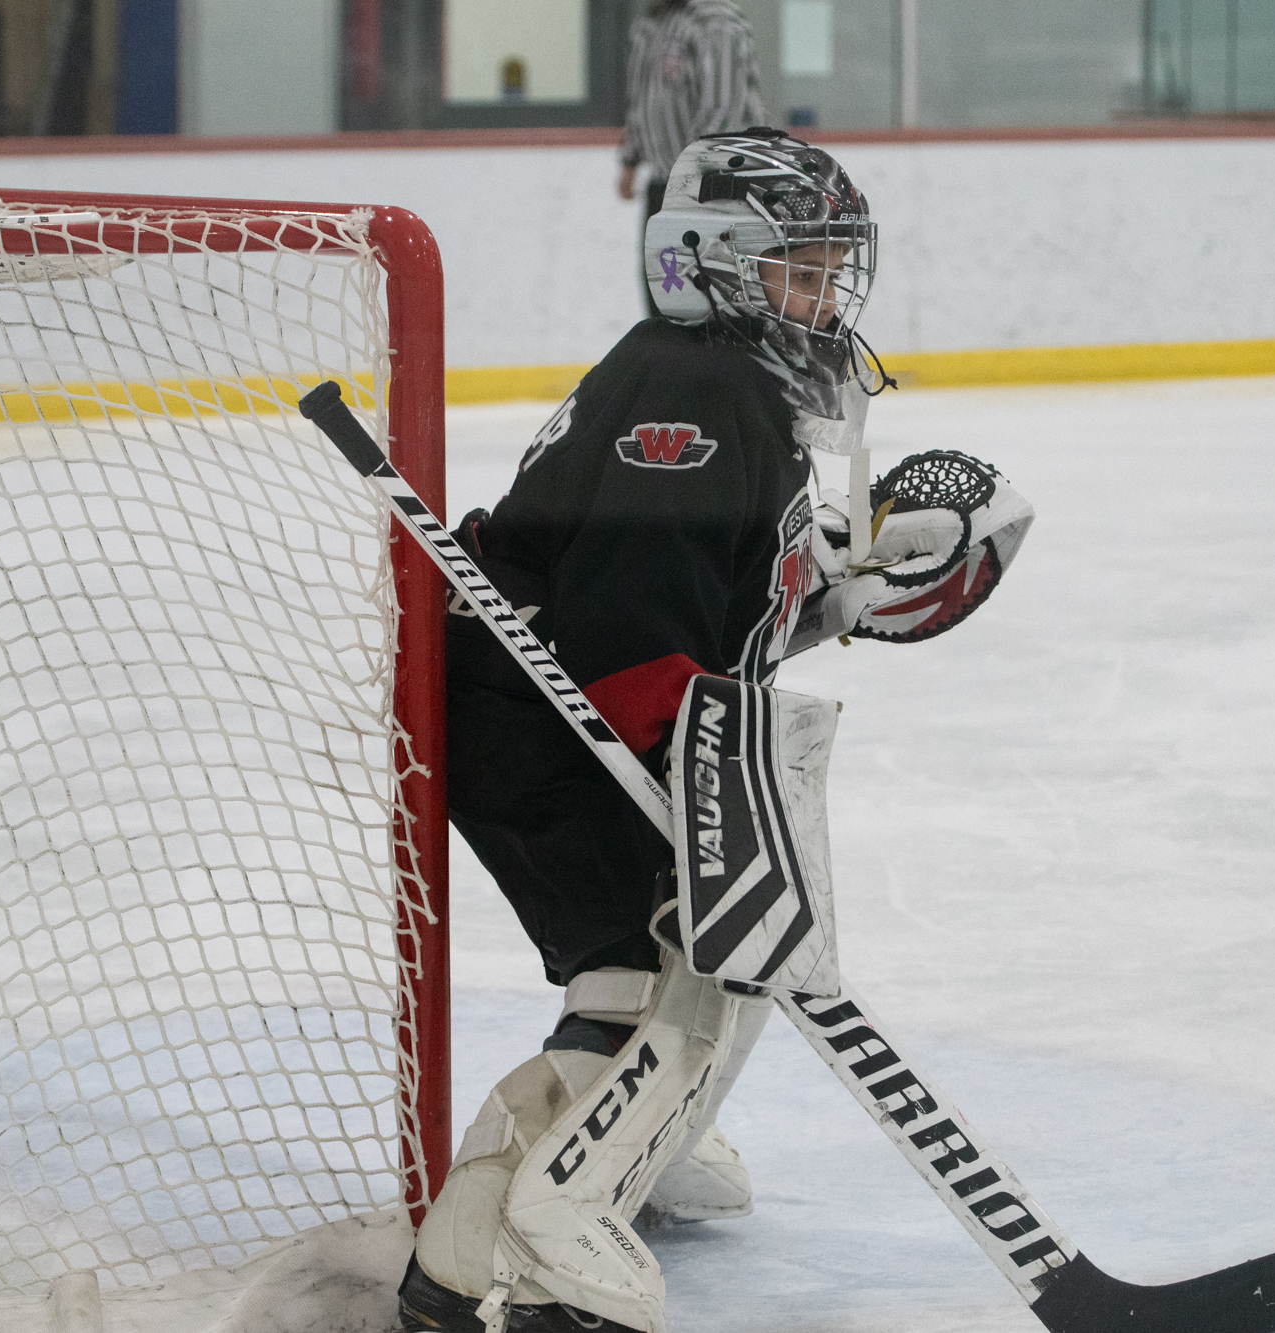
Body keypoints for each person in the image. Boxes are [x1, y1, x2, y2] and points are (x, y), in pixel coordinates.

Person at [399, 129, 1029, 1333]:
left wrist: (838, 599)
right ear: (715, 262)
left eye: (831, 267)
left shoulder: (726, 380)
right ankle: (546, 1231)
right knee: (671, 977)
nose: (824, 293)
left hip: (545, 703)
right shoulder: (700, 385)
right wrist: (697, 809)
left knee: (682, 970)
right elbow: (631, 626)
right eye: (798, 267)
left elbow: (709, 592)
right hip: (540, 720)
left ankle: (556, 1198)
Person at [617, 0, 766, 315]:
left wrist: (695, 174)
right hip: (665, 184)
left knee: (712, 304)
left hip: (717, 188)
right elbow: (641, 99)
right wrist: (631, 159)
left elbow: (726, 113)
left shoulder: (715, 21)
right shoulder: (649, 26)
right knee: (664, 301)